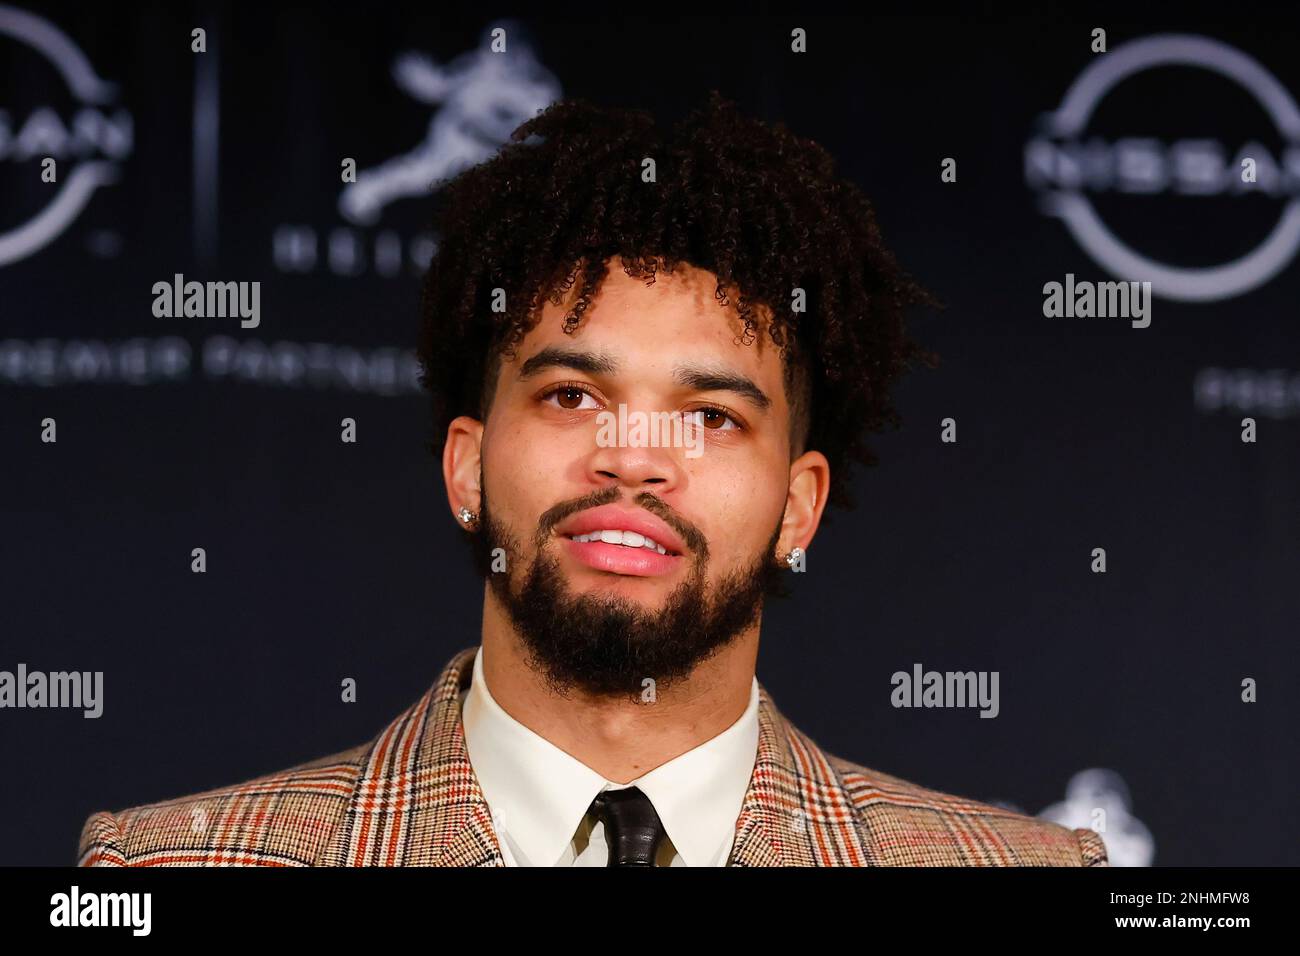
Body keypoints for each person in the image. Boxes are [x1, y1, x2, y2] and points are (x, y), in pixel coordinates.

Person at [79, 92, 1107, 867]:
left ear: (800, 504)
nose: (634, 452)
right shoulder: (172, 863)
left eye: (711, 416)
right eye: (572, 394)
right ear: (466, 464)